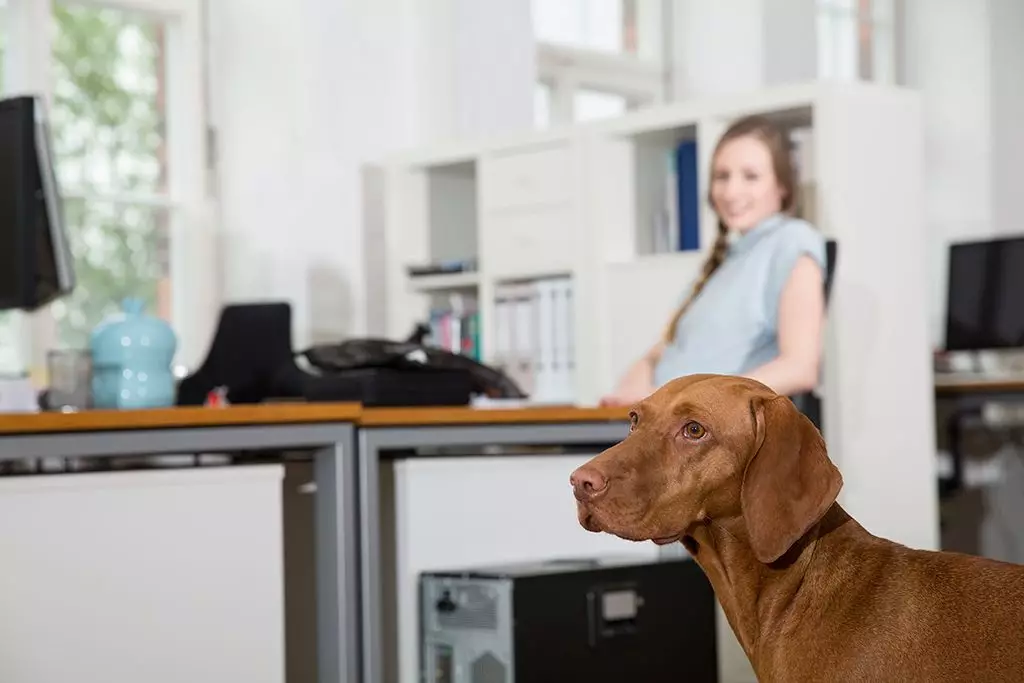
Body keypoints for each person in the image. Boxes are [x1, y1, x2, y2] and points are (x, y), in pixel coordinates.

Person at [600, 114, 827, 406]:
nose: (731, 191)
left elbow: (800, 367)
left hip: (705, 428)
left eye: (750, 176)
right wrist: (636, 394)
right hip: (667, 423)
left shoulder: (793, 241)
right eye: (722, 176)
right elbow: (657, 354)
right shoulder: (724, 261)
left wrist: (684, 403)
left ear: (782, 186)